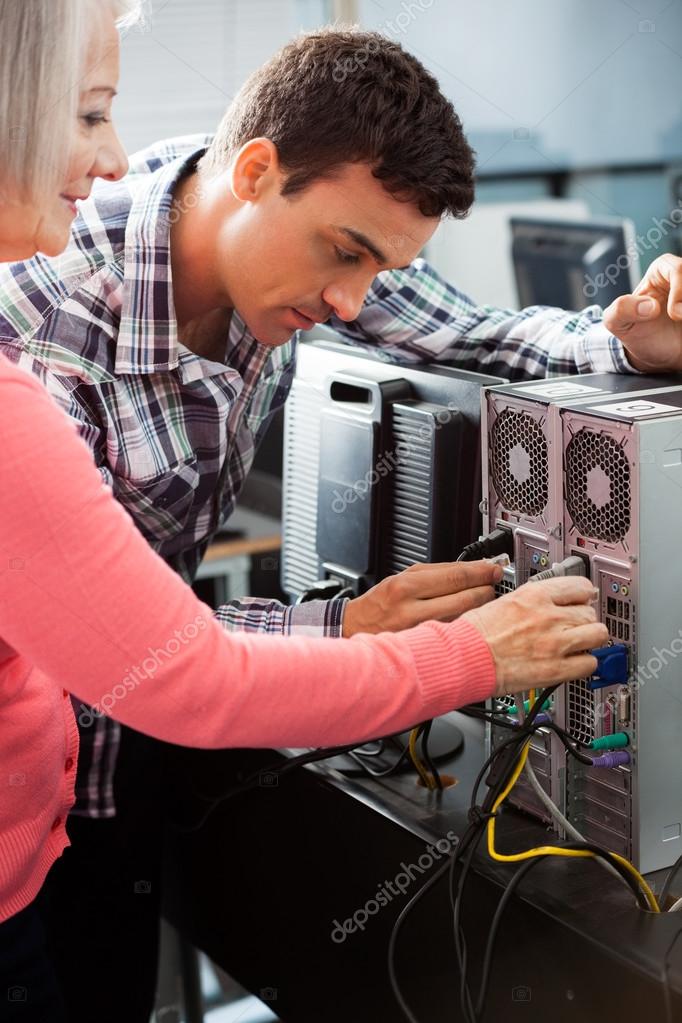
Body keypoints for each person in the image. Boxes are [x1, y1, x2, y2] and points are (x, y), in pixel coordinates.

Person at [0, 4, 613, 1021]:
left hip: (118, 753)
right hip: (68, 783)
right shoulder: (44, 336)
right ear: (251, 174)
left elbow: (495, 339)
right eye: (345, 253)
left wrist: (625, 340)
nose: (350, 303)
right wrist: (466, 657)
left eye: (378, 270)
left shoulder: (297, 254)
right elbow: (144, 666)